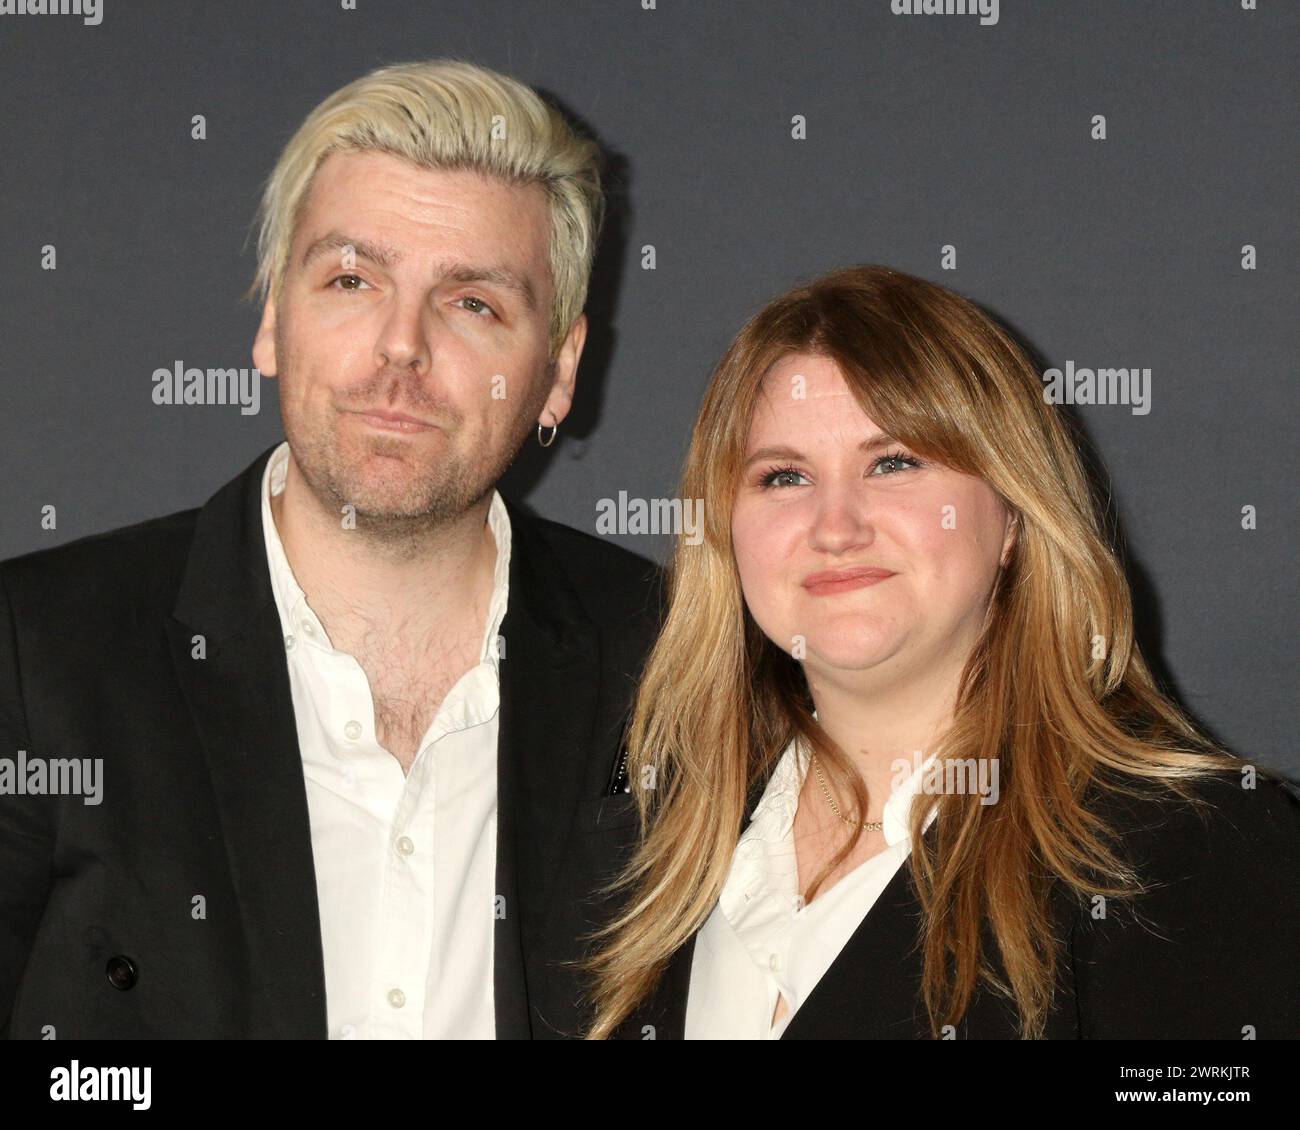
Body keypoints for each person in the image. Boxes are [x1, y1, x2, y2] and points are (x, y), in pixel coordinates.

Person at [0, 59, 660, 1040]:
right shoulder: (36, 651)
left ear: (558, 370)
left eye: (472, 301)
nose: (401, 346)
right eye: (352, 279)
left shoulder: (670, 659)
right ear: (272, 319)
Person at [585, 264, 1300, 1040]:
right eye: (783, 476)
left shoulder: (1194, 849)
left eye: (894, 463)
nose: (835, 526)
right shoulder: (649, 842)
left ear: (1015, 518)